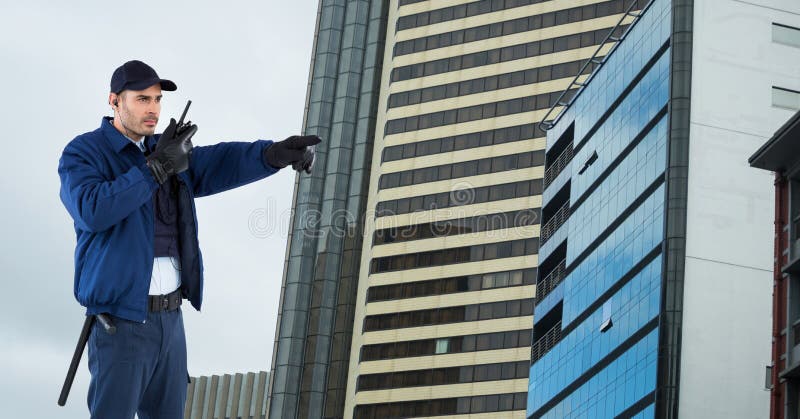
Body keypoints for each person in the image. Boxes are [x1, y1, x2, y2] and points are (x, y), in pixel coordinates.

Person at [57, 60, 321, 419]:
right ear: (114, 101)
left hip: (170, 322)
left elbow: (220, 162)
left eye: (157, 99)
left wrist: (270, 154)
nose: (153, 109)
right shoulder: (84, 153)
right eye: (141, 99)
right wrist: (156, 168)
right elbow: (93, 209)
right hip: (120, 324)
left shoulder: (167, 153)